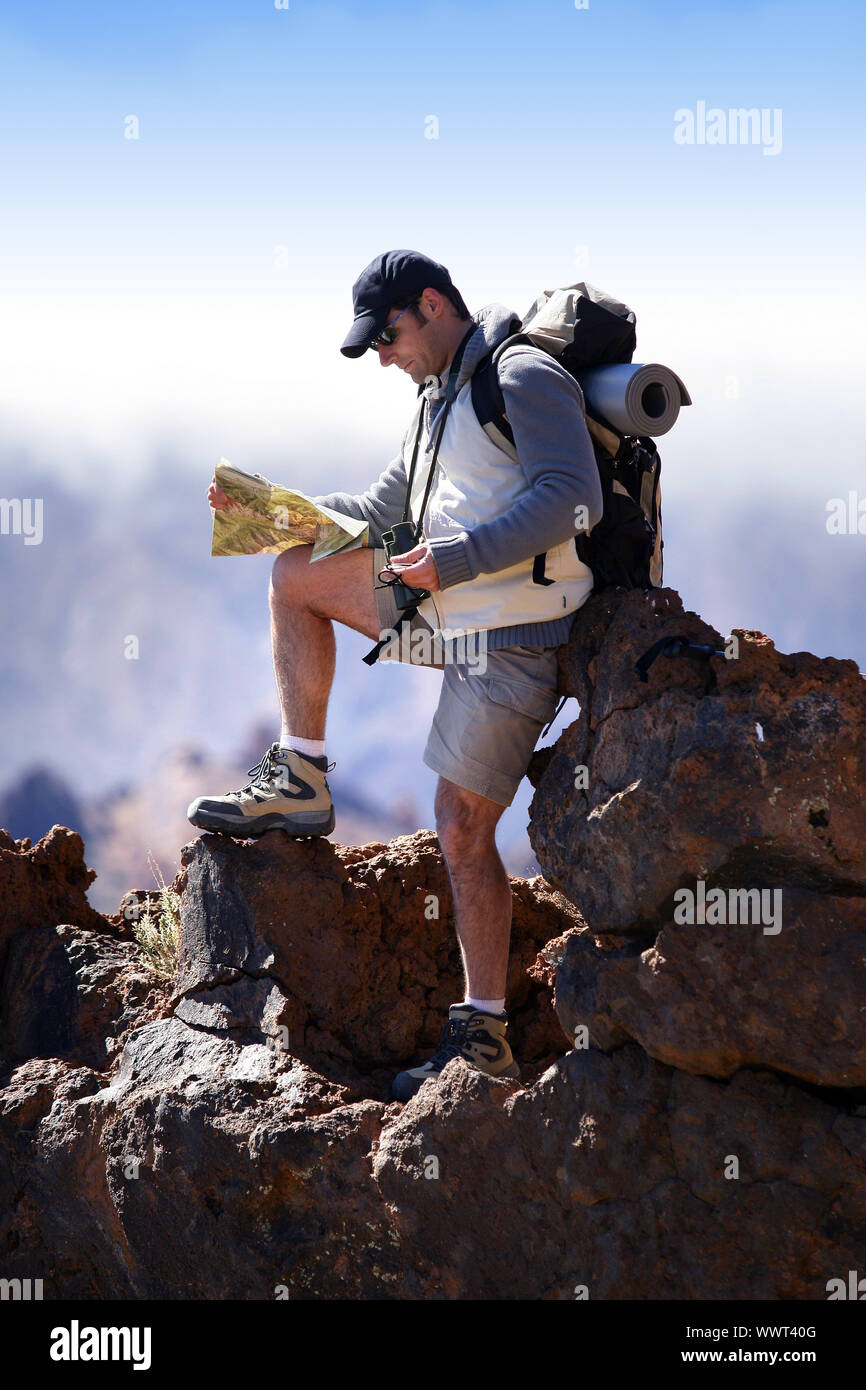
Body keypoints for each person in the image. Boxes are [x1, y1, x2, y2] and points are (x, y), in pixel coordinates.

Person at [189, 249, 602, 1101]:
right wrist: (274, 509)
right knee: (294, 570)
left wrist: (452, 559)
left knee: (459, 825)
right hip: (449, 600)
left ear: (431, 303)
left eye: (387, 336)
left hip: (515, 632)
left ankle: (482, 1039)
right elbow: (383, 512)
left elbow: (573, 498)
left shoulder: (518, 373)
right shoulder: (435, 394)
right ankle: (301, 777)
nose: (381, 356)